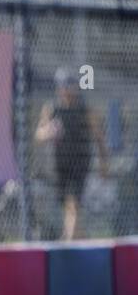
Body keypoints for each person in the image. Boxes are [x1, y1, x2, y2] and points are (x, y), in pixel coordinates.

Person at [36, 67, 108, 241]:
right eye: (65, 87)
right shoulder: (51, 109)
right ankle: (79, 239)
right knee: (67, 206)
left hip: (80, 163)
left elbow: (99, 138)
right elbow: (38, 134)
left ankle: (67, 242)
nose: (68, 91)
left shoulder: (84, 110)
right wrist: (48, 131)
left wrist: (104, 162)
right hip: (59, 165)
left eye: (71, 86)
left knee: (73, 204)